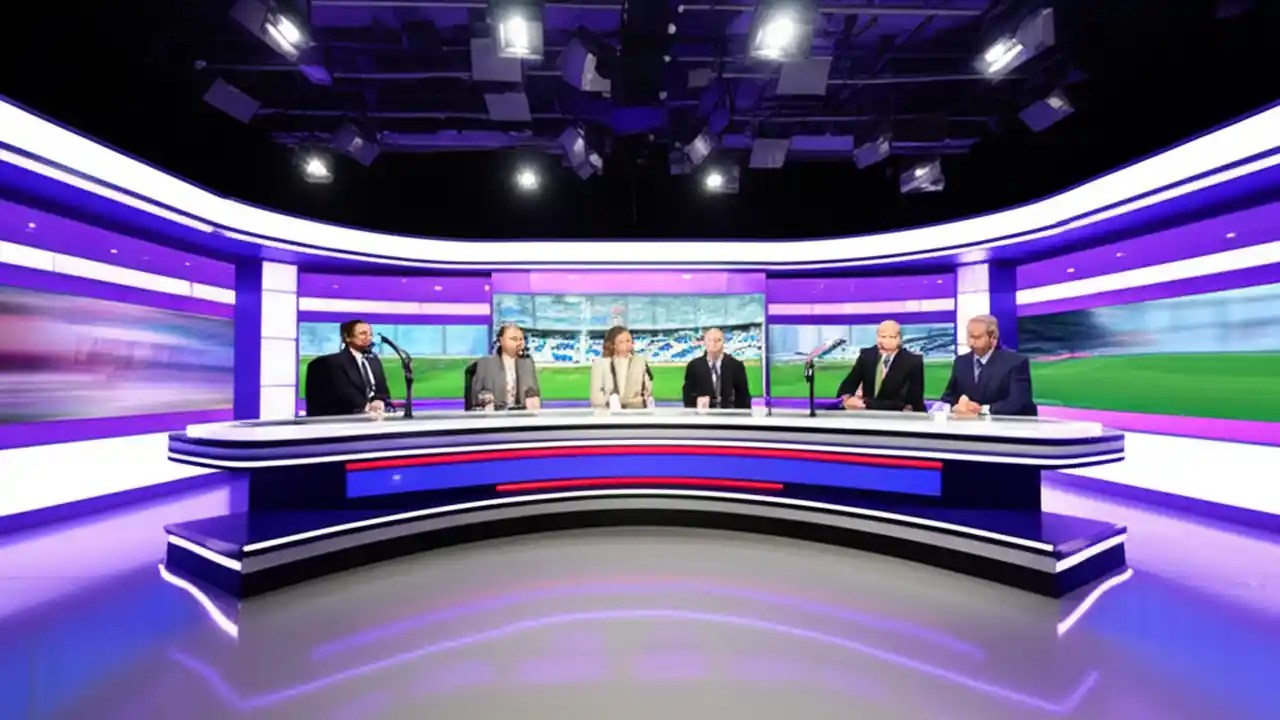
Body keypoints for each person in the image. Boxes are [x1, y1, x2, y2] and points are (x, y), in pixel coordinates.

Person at [940, 314, 1037, 417]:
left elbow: (1018, 401)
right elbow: (948, 396)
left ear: (993, 338)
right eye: (970, 336)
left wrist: (982, 409)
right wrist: (954, 406)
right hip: (968, 424)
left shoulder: (1015, 362)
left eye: (977, 337)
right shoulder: (961, 362)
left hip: (1006, 424)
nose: (971, 342)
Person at [304, 319, 395, 417]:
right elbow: (344, 392)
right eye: (362, 334)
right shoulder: (335, 362)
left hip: (375, 416)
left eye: (370, 334)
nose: (368, 338)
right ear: (347, 337)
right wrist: (366, 407)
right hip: (348, 417)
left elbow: (383, 390)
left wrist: (379, 400)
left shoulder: (374, 360)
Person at [836, 320, 926, 412]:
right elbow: (849, 384)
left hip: (897, 416)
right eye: (882, 336)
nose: (885, 341)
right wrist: (846, 398)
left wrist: (866, 404)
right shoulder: (867, 355)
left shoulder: (913, 361)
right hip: (868, 415)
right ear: (877, 336)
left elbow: (909, 402)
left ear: (899, 339)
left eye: (891, 337)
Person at [471, 323, 541, 411]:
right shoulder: (486, 364)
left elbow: (533, 392)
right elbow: (476, 396)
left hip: (521, 415)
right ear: (501, 341)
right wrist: (486, 400)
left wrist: (533, 400)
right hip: (495, 415)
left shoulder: (527, 363)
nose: (519, 343)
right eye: (514, 339)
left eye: (521, 339)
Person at [682, 327, 751, 409]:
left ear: (723, 342)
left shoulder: (736, 365)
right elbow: (688, 396)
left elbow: (743, 396)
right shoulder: (694, 366)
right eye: (710, 340)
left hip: (730, 414)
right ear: (704, 342)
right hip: (703, 414)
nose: (713, 343)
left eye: (718, 340)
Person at [590, 325, 653, 409]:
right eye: (621, 341)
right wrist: (611, 402)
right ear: (613, 344)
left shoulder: (640, 362)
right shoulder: (600, 364)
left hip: (636, 411)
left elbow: (647, 391)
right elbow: (596, 398)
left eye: (628, 341)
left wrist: (640, 401)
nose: (627, 344)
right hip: (608, 413)